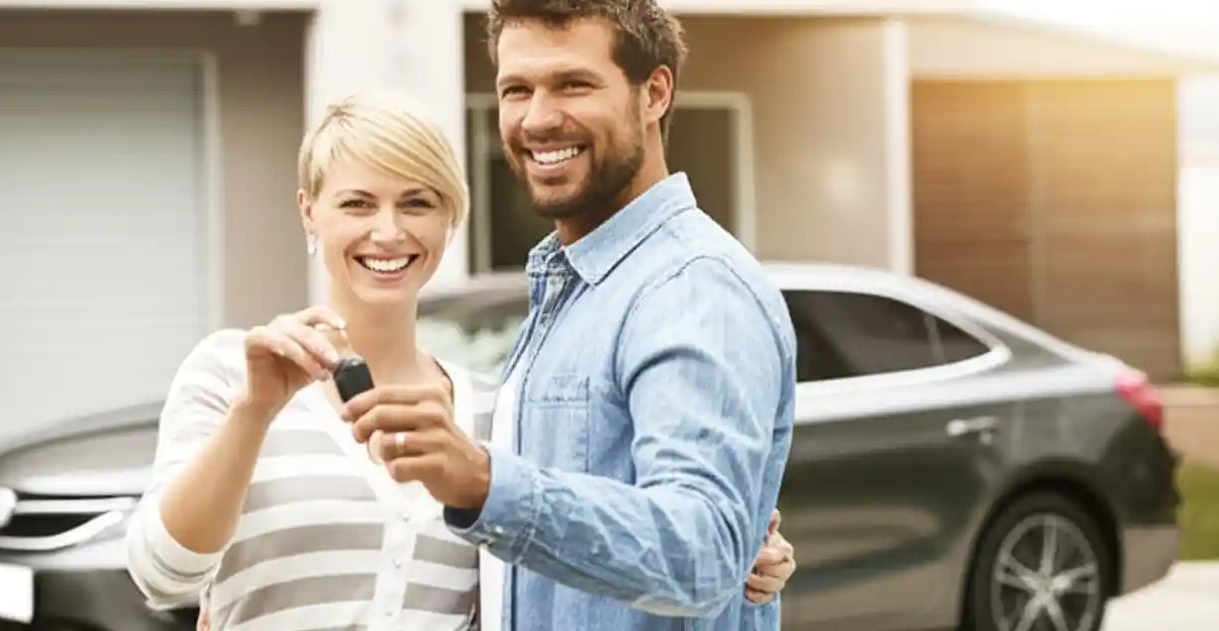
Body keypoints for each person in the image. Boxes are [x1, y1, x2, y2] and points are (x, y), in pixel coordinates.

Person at [125, 89, 796, 630]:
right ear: (309, 213)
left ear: (451, 220)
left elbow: (578, 539)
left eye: (417, 203)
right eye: (358, 203)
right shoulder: (230, 374)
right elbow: (164, 577)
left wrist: (740, 553)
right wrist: (254, 412)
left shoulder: (492, 413)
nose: (388, 231)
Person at [340, 0, 798, 630]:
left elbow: (699, 555)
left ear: (654, 94)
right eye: (516, 89)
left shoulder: (691, 288)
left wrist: (485, 482)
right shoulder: (576, 286)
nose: (538, 118)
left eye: (573, 85)